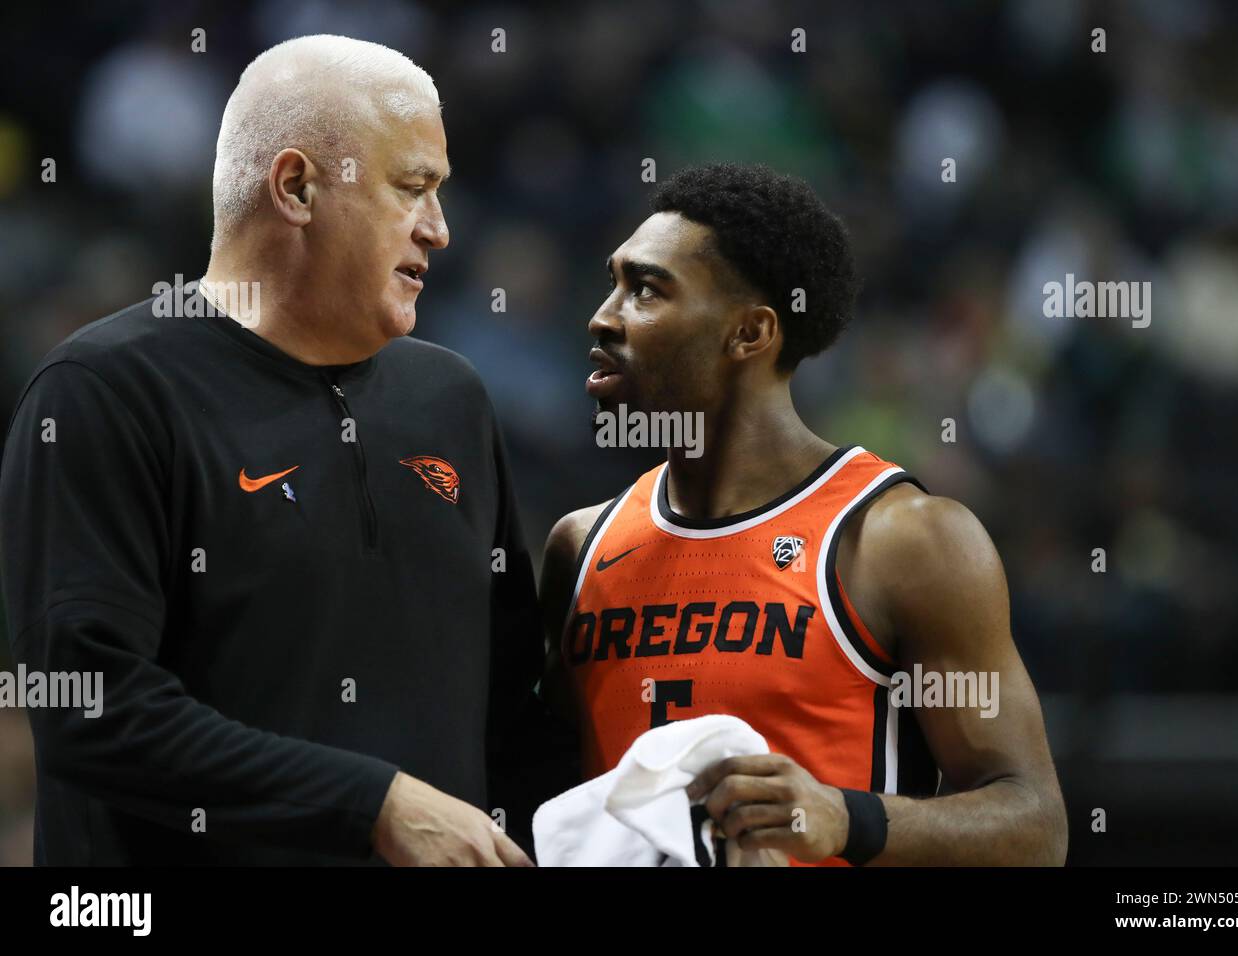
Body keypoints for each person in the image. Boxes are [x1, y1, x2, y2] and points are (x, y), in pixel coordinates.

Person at [0, 34, 541, 866]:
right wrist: (369, 802)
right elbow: (91, 709)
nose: (439, 229)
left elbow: (510, 707)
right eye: (413, 189)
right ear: (296, 187)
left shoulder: (452, 400)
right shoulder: (104, 391)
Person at [539, 163, 1068, 866]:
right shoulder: (580, 546)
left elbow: (1035, 827)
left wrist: (844, 817)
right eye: (613, 283)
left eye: (645, 290)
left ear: (750, 333)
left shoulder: (901, 539)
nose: (603, 316)